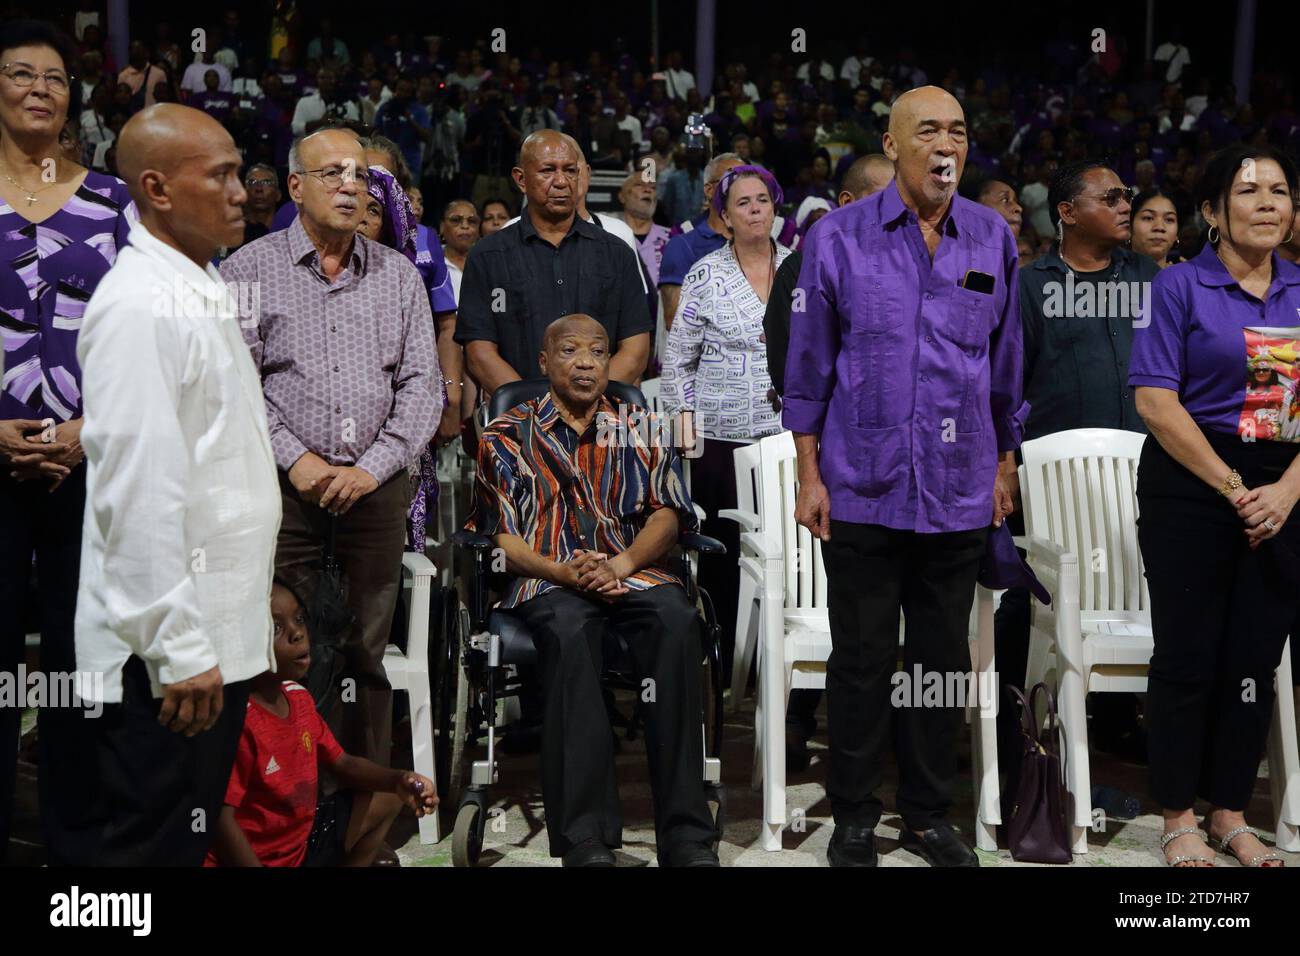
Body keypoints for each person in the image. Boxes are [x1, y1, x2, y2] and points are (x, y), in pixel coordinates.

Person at [784, 87, 1026, 867]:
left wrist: (1003, 461)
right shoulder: (838, 239)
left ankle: (926, 813)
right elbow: (810, 364)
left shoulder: (991, 237)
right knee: (860, 657)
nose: (946, 144)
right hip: (860, 481)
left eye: (958, 129)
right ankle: (855, 812)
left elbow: (1006, 363)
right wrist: (808, 473)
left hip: (958, 486)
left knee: (939, 661)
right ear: (893, 144)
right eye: (929, 130)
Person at [73, 103, 276, 866]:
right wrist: (176, 642)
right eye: (220, 174)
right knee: (143, 854)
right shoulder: (139, 307)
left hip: (201, 636)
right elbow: (138, 487)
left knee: (172, 845)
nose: (242, 191)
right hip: (161, 651)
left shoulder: (196, 281)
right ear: (155, 188)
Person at [220, 128, 442, 773]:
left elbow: (422, 385)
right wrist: (299, 460)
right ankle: (288, 810)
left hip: (376, 492)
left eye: (359, 175)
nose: (350, 185)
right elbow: (238, 385)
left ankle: (363, 820)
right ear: (295, 186)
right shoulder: (250, 269)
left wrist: (372, 468)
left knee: (366, 653)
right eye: (332, 174)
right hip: (282, 492)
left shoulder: (397, 274)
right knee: (285, 648)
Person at [467, 314, 719, 867]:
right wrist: (563, 571)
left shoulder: (640, 426)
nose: (585, 362)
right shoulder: (504, 436)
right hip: (547, 576)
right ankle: (586, 837)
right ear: (543, 362)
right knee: (569, 630)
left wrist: (622, 563)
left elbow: (669, 516)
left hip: (632, 571)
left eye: (598, 352)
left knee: (677, 621)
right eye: (570, 350)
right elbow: (499, 537)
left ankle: (686, 833)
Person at [1129, 145, 1300, 868]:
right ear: (1211, 212)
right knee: (1189, 656)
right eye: (1248, 191)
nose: (1267, 203)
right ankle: (1178, 815)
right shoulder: (1180, 288)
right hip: (1193, 481)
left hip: (1284, 486)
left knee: (1251, 659)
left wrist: (1288, 489)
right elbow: (1155, 400)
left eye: (1280, 191)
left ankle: (1230, 810)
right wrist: (1232, 487)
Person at [0, 19, 137, 866]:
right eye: (21, 73)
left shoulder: (113, 203)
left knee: (83, 655)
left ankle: (75, 843)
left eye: (55, 77)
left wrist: (93, 427)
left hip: (90, 459)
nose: (41, 88)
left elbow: (141, 333)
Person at [996, 161, 1160, 797]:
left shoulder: (1152, 280)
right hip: (1055, 484)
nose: (1127, 206)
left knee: (1130, 588)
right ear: (1066, 212)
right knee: (1035, 599)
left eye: (1128, 196)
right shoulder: (1029, 286)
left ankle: (1121, 720)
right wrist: (1005, 466)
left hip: (1145, 477)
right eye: (1111, 197)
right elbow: (1006, 384)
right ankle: (1019, 727)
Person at [758, 154, 894, 770]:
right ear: (847, 203)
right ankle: (799, 720)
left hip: (910, 472)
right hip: (839, 463)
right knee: (850, 618)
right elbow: (796, 374)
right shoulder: (804, 270)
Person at [661, 162, 790, 700]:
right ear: (724, 216)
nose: (755, 209)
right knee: (728, 553)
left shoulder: (801, 269)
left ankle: (777, 659)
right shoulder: (705, 274)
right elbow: (677, 362)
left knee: (786, 550)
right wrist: (684, 431)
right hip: (720, 439)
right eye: (743, 203)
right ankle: (725, 660)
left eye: (763, 200)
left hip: (789, 438)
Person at [205, 582, 437, 867]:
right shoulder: (238, 722)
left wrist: (398, 779)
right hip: (251, 858)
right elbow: (220, 820)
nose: (297, 633)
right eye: (276, 628)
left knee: (388, 797)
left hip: (298, 845)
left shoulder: (298, 698)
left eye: (299, 619)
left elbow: (343, 764)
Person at [455, 129, 651, 394]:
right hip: (520, 421)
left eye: (570, 170)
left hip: (601, 418)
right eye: (548, 170)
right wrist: (538, 408)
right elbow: (479, 352)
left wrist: (588, 400)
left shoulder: (617, 253)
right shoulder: (487, 256)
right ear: (521, 179)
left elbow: (636, 348)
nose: (561, 181)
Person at [658, 152, 743, 331]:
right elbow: (675, 322)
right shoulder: (682, 246)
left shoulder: (761, 246)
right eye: (731, 178)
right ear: (709, 190)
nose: (742, 187)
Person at [1130, 188, 1182, 268]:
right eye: (1148, 218)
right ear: (1129, 227)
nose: (1159, 227)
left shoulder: (1187, 278)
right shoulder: (1112, 278)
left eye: (1169, 219)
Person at [239, 163, 279, 246]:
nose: (259, 188)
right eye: (252, 182)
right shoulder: (233, 232)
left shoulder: (288, 229)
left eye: (267, 182)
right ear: (244, 193)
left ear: (278, 195)